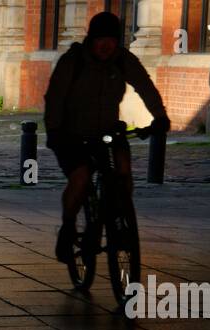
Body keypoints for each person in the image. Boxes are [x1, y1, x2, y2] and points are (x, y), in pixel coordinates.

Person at [43, 12, 169, 264]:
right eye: (101, 39)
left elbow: (145, 87)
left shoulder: (123, 61)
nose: (106, 45)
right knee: (80, 178)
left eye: (111, 40)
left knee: (123, 170)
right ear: (92, 39)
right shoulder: (73, 61)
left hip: (109, 131)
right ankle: (68, 228)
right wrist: (55, 131)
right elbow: (55, 98)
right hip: (72, 134)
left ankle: (121, 219)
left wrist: (160, 117)